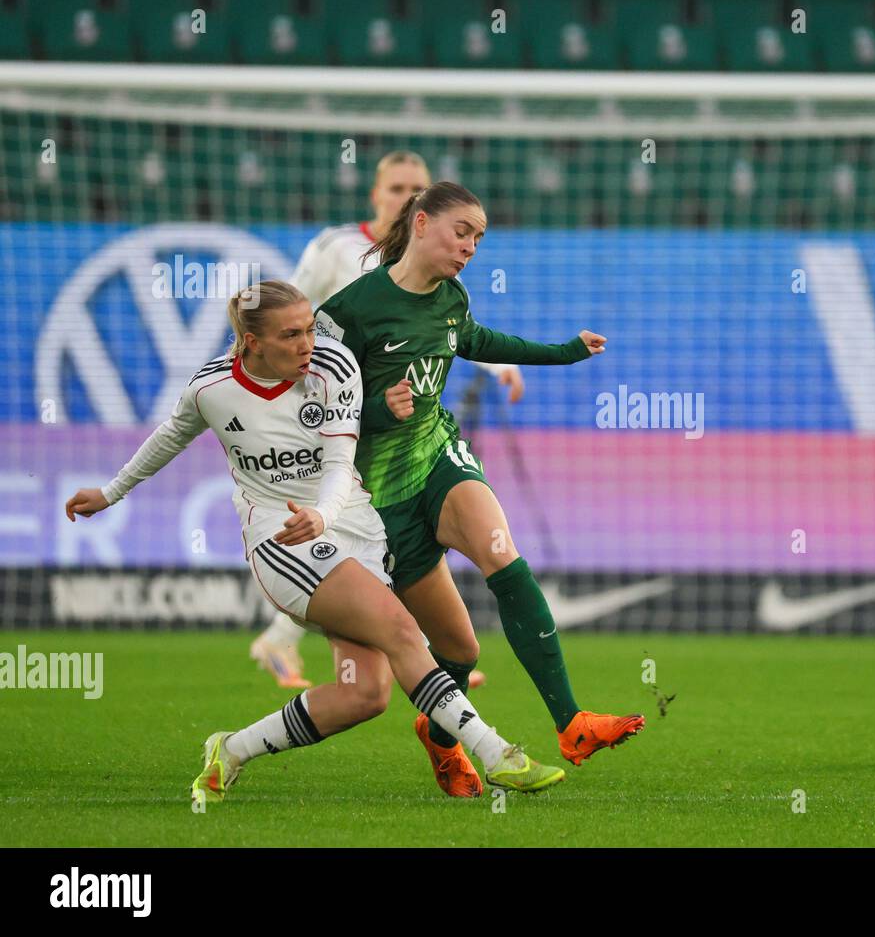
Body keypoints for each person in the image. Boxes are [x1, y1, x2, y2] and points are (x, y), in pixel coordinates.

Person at [65, 281, 564, 802]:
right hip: (283, 539)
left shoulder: (335, 367)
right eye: (291, 334)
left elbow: (338, 459)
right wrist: (110, 492)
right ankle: (499, 755)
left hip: (350, 525)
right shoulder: (210, 389)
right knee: (401, 632)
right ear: (251, 343)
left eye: (309, 328)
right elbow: (169, 436)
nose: (308, 343)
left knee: (364, 694)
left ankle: (231, 749)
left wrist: (325, 516)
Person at [315, 181, 645, 780]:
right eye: (461, 231)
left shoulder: (452, 298)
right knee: (461, 652)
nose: (470, 247)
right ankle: (441, 737)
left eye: (479, 238)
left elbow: (480, 341)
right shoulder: (346, 312)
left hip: (439, 457)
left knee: (503, 555)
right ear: (419, 223)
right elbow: (312, 417)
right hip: (380, 498)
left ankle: (571, 723)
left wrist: (565, 351)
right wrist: (377, 410)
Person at [249, 151, 520, 689]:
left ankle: (414, 648)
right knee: (354, 533)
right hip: (333, 416)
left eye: (415, 188)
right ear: (376, 195)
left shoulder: (426, 262)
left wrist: (501, 362)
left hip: (390, 425)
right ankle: (418, 650)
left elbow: (444, 327)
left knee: (372, 536)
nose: (405, 196)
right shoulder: (336, 248)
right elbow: (284, 308)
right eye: (396, 187)